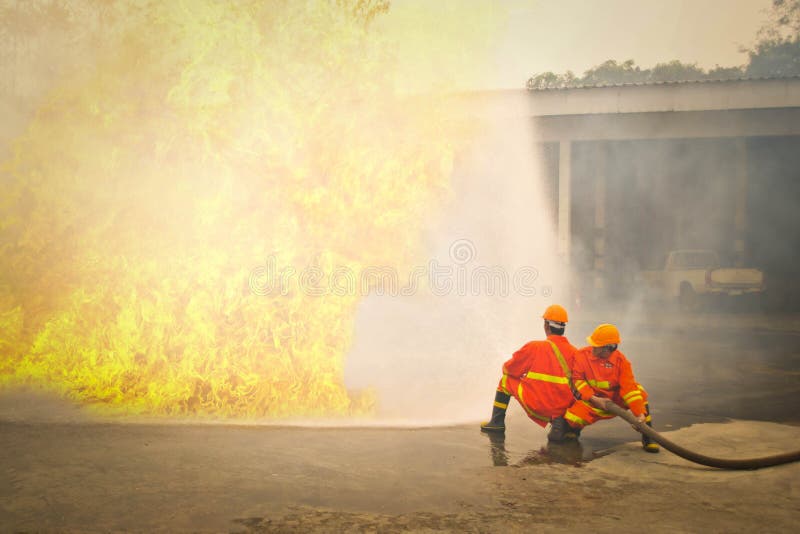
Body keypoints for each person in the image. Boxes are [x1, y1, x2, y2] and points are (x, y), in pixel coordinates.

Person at [549, 323, 660, 453]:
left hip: (615, 401)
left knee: (639, 393)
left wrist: (639, 414)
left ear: (609, 349)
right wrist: (593, 398)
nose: (592, 348)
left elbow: (629, 389)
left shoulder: (621, 362)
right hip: (593, 401)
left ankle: (649, 436)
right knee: (573, 417)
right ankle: (573, 432)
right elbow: (577, 380)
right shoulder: (582, 356)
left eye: (596, 346)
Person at [480, 304, 578, 434]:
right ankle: (565, 425)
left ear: (546, 326)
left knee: (506, 380)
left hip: (539, 406)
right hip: (563, 411)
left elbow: (510, 369)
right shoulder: (575, 352)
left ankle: (496, 423)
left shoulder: (535, 347)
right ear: (563, 328)